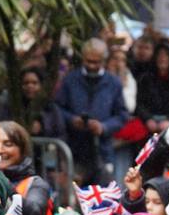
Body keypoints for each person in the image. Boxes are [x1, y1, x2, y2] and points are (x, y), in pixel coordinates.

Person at [55, 38, 129, 183]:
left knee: (104, 197)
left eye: (96, 62)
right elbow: (57, 108)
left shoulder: (113, 83)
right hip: (75, 149)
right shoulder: (70, 80)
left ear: (104, 60)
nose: (92, 66)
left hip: (102, 150)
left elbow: (122, 115)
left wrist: (104, 127)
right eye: (88, 61)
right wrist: (72, 120)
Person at [0, 120, 52, 215]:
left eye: (8, 144)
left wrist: (2, 182)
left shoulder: (35, 184)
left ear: (22, 149)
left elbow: (35, 214)